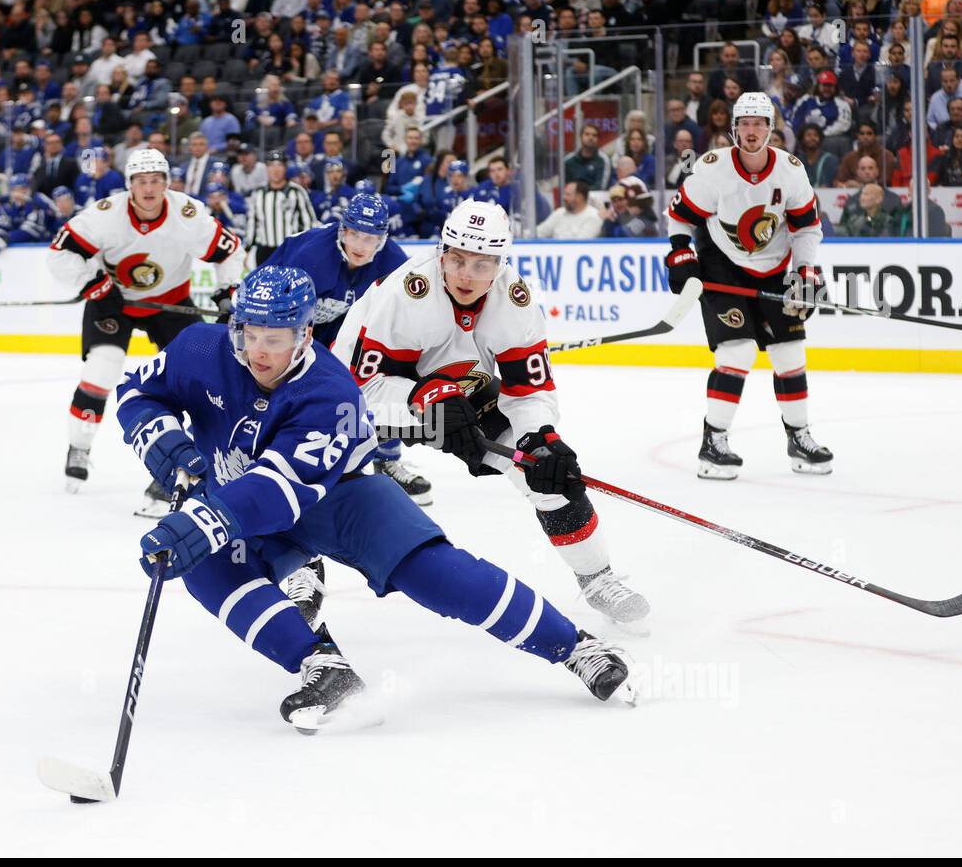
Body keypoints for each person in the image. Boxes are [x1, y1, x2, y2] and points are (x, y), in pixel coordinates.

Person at [116, 265, 638, 729]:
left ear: (304, 335)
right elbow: (137, 391)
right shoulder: (200, 348)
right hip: (237, 495)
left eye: (275, 339)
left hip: (335, 497)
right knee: (198, 563)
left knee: (438, 576)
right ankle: (322, 665)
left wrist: (206, 519)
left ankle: (577, 647)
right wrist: (161, 441)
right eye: (250, 334)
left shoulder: (328, 390)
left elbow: (280, 490)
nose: (259, 351)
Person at [333, 199, 651, 631]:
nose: (466, 274)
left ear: (502, 264)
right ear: (442, 252)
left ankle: (597, 578)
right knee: (324, 478)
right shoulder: (405, 294)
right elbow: (362, 392)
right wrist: (432, 401)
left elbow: (529, 390)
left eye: (482, 264)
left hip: (461, 388)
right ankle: (298, 574)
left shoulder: (515, 301)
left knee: (544, 473)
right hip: (369, 394)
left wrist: (541, 436)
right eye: (457, 259)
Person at [45, 148, 245, 500]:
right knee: (102, 370)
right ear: (129, 185)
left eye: (156, 180)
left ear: (167, 183)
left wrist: (227, 292)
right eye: (141, 181)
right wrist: (96, 285)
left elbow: (229, 251)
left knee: (196, 380)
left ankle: (185, 462)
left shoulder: (187, 215)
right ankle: (79, 445)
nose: (149, 189)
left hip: (170, 302)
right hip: (114, 301)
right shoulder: (107, 215)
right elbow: (60, 251)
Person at [665, 92, 833, 481]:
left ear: (771, 129)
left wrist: (806, 270)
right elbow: (680, 218)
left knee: (790, 353)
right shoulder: (711, 169)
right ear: (734, 128)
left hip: (774, 268)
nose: (751, 130)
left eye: (759, 123)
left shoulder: (791, 170)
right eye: (745, 123)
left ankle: (799, 437)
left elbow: (806, 226)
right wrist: (680, 254)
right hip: (722, 267)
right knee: (737, 351)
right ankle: (714, 441)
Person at [259, 192, 429, 513]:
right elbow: (274, 306)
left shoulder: (395, 264)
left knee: (389, 375)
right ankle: (274, 456)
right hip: (292, 323)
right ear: (342, 231)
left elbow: (408, 317)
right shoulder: (310, 256)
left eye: (370, 238)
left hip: (348, 328)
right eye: (355, 235)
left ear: (383, 239)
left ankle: (387, 459)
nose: (361, 246)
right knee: (289, 386)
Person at [246, 150, 317, 264]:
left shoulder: (296, 191)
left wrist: (306, 247)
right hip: (264, 251)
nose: (275, 170)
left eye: (279, 165)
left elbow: (308, 222)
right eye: (271, 165)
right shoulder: (258, 193)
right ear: (267, 168)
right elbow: (252, 223)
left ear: (285, 168)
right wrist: (247, 249)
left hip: (289, 249)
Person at [537, 179, 603, 239]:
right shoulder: (560, 212)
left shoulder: (594, 216)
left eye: (567, 194)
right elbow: (540, 232)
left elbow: (581, 243)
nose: (564, 197)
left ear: (580, 197)